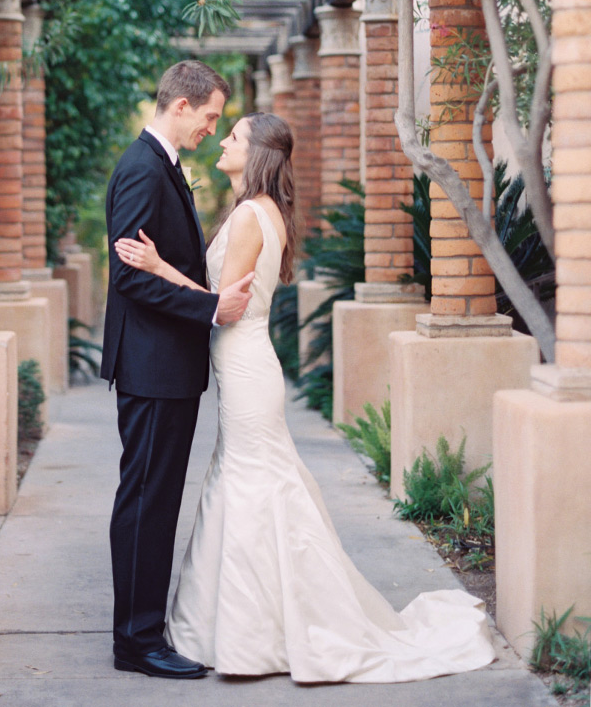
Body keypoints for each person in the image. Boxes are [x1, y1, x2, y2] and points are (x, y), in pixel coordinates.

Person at [114, 112, 496, 684]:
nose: (223, 140)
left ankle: (259, 631)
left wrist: (159, 265)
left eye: (234, 136)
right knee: (246, 484)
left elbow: (225, 305)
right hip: (243, 367)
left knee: (251, 485)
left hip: (245, 370)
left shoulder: (248, 217)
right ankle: (240, 626)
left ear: (259, 154)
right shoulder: (261, 211)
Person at [101, 60, 254, 680]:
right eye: (211, 116)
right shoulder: (142, 168)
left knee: (156, 499)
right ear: (182, 106)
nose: (212, 130)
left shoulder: (160, 165)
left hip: (164, 365)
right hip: (152, 365)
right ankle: (136, 641)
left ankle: (143, 631)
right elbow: (128, 276)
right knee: (146, 500)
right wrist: (211, 309)